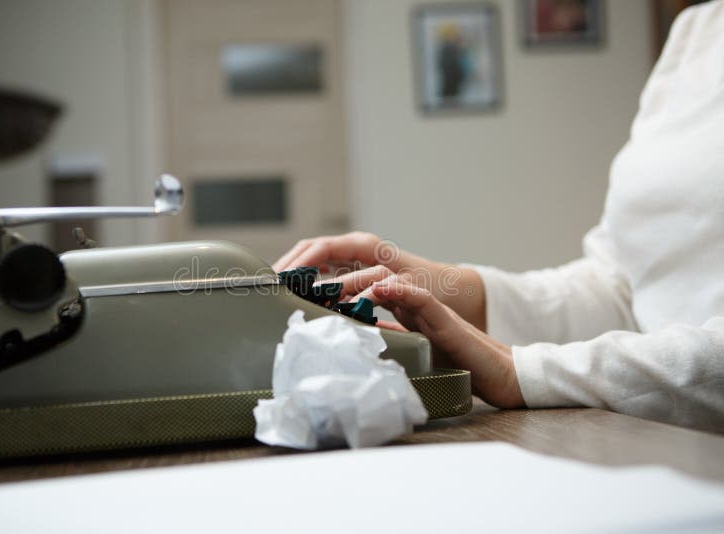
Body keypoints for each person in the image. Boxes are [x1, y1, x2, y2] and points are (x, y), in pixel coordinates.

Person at [272, 1, 724, 433]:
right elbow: (622, 288)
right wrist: (446, 288)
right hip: (648, 445)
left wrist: (520, 371)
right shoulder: (696, 31)